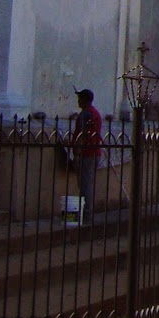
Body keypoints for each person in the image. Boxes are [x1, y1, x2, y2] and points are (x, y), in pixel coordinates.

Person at [71, 89, 102, 225]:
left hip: (87, 153)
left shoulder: (86, 115)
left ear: (84, 100)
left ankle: (86, 214)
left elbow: (82, 136)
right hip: (94, 152)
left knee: (85, 185)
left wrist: (77, 153)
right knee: (87, 183)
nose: (78, 101)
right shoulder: (95, 113)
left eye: (79, 98)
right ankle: (86, 212)